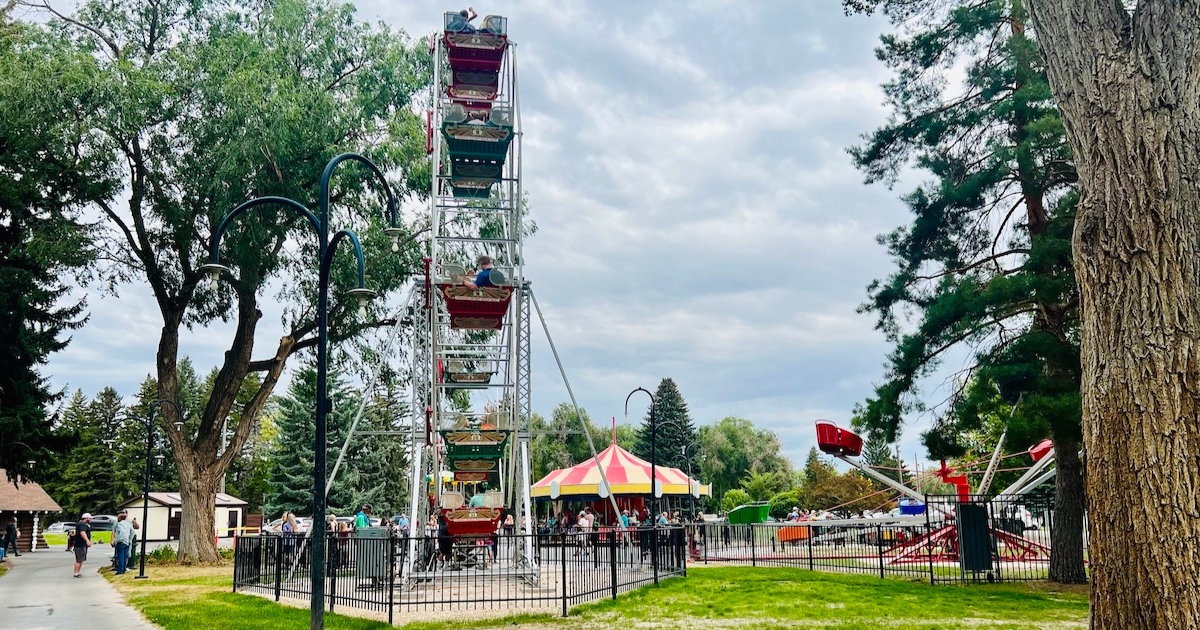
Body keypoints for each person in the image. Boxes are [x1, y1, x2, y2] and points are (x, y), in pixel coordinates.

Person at [72, 513, 93, 578]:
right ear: (86, 518)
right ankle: (76, 573)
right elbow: (82, 533)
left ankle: (78, 572)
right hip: (80, 545)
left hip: (82, 545)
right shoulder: (82, 524)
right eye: (89, 518)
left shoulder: (84, 524)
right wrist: (87, 541)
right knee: (79, 559)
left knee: (81, 559)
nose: (90, 519)